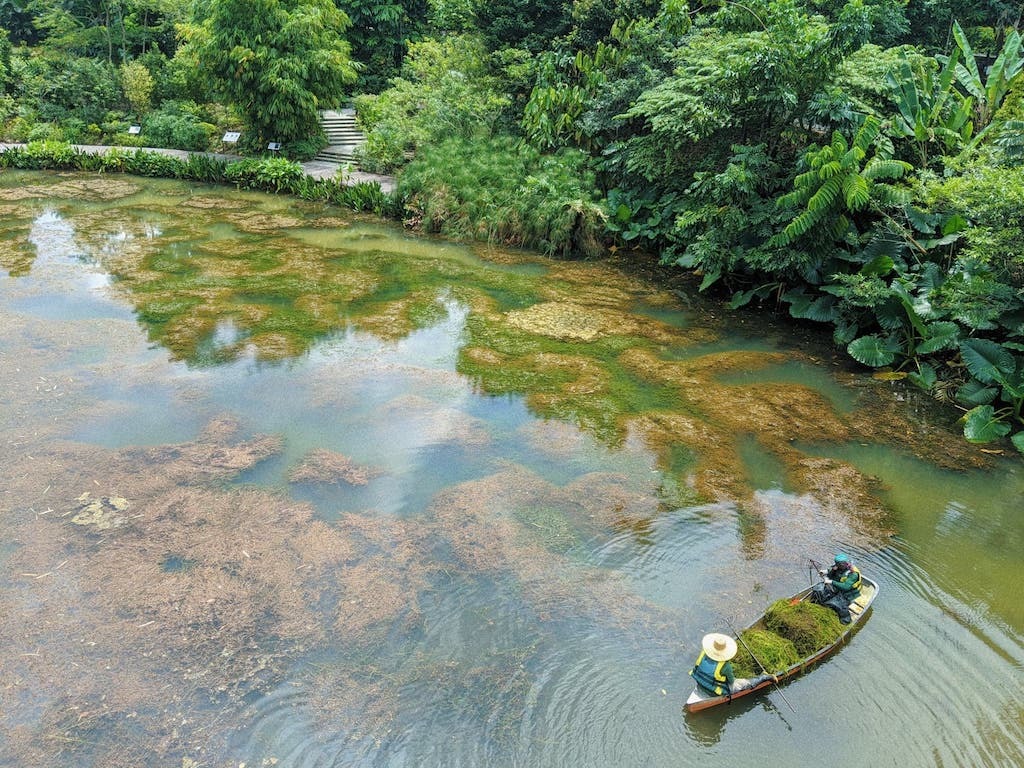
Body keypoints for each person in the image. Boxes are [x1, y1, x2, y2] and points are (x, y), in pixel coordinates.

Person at [690, 633, 778, 697]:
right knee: (745, 683)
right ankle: (765, 677)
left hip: (700, 683)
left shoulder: (703, 654)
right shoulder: (725, 665)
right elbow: (731, 681)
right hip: (714, 691)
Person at [815, 552, 862, 624]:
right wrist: (826, 571)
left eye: (839, 565)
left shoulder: (853, 574)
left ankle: (845, 620)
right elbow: (833, 570)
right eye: (836, 564)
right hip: (839, 587)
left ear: (844, 564)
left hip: (849, 592)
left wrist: (831, 582)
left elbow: (846, 587)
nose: (837, 566)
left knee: (839, 604)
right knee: (819, 590)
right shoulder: (839, 566)